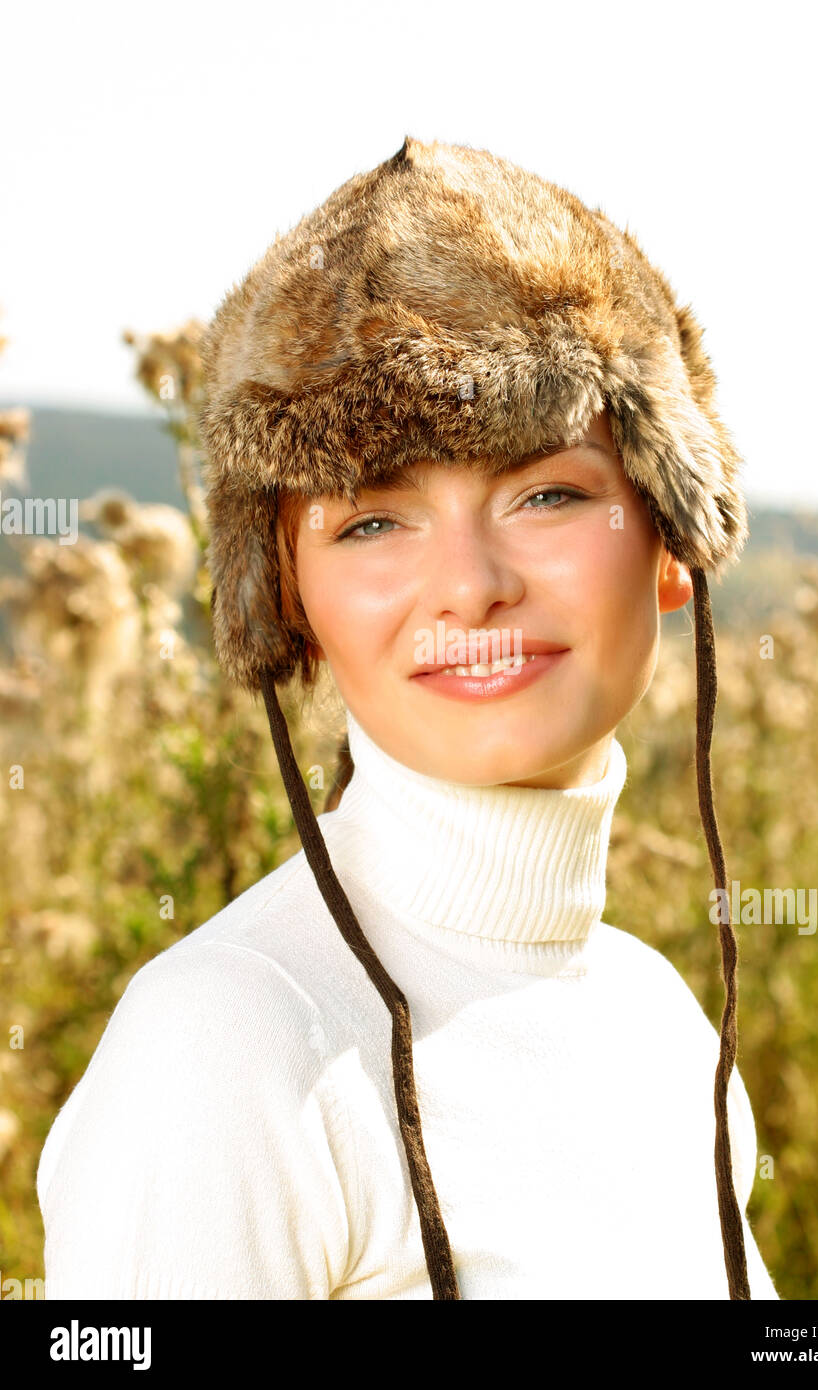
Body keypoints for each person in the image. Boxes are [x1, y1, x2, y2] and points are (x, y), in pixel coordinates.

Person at [37, 136, 780, 1299]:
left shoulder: (666, 1027)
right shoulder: (231, 1044)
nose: (468, 583)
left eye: (546, 493)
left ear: (677, 536)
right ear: (288, 594)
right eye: (372, 522)